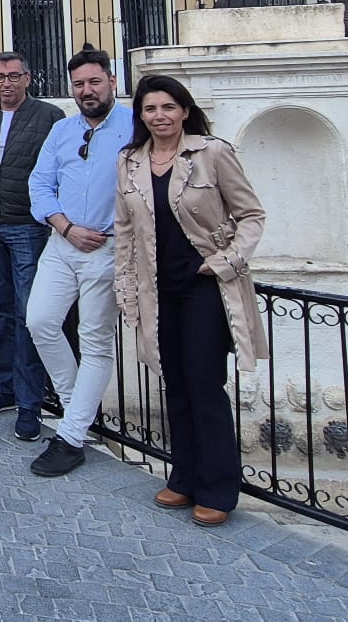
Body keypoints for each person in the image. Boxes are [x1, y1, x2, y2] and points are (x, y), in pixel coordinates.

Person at [115, 74, 268, 528]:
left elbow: (251, 215)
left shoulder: (212, 153)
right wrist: (126, 290)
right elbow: (124, 230)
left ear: (183, 111)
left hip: (204, 285)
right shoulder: (129, 161)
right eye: (149, 109)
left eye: (167, 107)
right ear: (140, 115)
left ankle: (219, 487)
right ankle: (183, 476)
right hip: (156, 288)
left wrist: (224, 262)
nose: (159, 116)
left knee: (204, 384)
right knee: (174, 382)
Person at [26, 48, 133, 478]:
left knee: (94, 340)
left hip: (107, 249)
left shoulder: (133, 126)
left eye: (93, 81)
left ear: (110, 80)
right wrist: (64, 225)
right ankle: (78, 413)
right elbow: (39, 183)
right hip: (62, 241)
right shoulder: (62, 130)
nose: (86, 91)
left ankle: (70, 437)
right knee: (40, 322)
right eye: (78, 85)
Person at [0, 51, 65, 439]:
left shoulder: (50, 117)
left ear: (27, 78)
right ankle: (2, 387)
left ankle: (30, 402)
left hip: (28, 229)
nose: (6, 83)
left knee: (28, 314)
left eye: (13, 76)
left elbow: (60, 172)